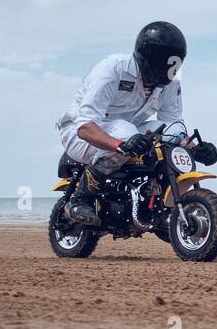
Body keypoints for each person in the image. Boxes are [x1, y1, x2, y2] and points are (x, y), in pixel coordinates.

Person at [55, 21, 205, 225]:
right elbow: (85, 126)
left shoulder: (170, 82)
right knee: (126, 131)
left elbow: (173, 123)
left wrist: (196, 149)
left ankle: (154, 202)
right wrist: (120, 145)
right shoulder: (112, 70)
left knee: (170, 132)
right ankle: (81, 199)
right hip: (79, 132)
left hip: (130, 130)